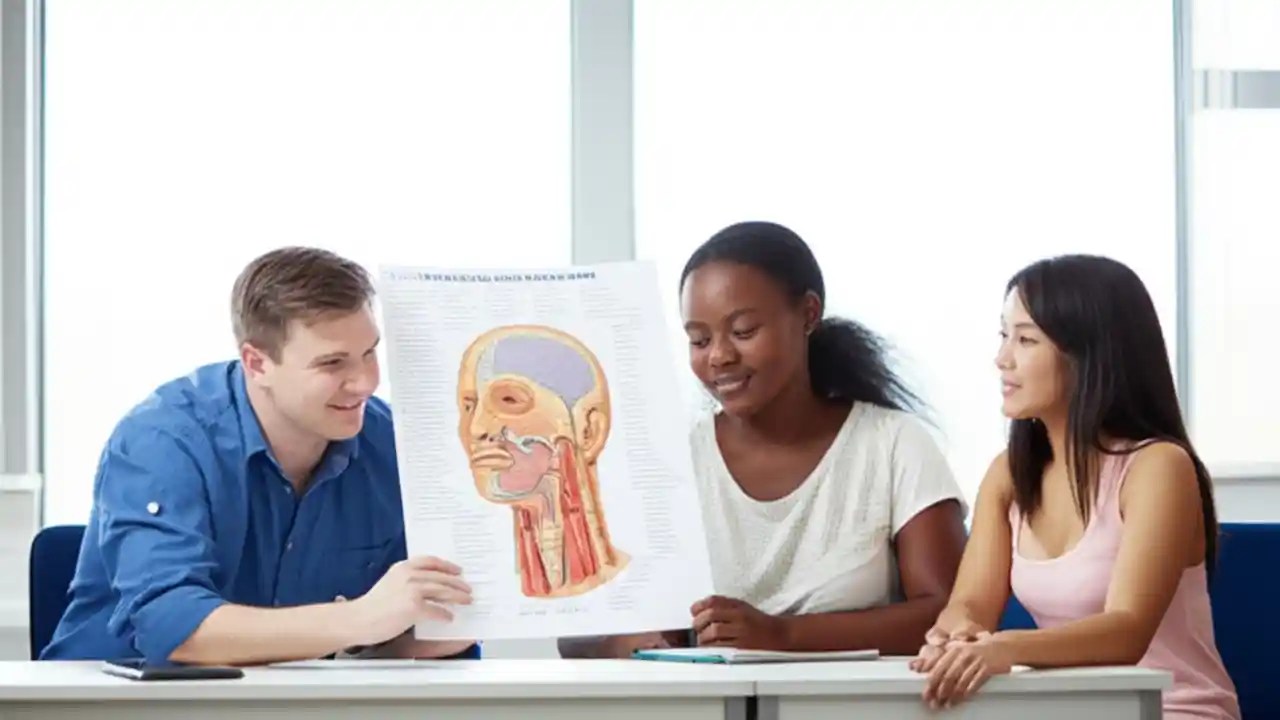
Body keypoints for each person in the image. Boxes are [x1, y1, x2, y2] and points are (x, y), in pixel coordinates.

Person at [42, 247, 475, 665]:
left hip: (296, 697)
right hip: (119, 699)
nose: (365, 382)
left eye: (369, 353)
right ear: (257, 364)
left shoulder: (394, 443)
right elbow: (171, 627)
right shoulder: (162, 441)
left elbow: (386, 636)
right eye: (332, 363)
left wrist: (448, 624)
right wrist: (360, 619)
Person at [560, 221, 967, 658]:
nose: (719, 356)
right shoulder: (673, 461)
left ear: (808, 314)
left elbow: (950, 615)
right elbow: (574, 629)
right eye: (699, 340)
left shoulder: (894, 445)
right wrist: (624, 641)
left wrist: (783, 636)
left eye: (743, 331)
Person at [912, 255, 1239, 719]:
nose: (1002, 359)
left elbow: (1126, 631)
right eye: (1004, 336)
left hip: (1175, 709)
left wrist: (1005, 648)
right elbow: (971, 603)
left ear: (1088, 356)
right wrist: (957, 632)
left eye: (1026, 339)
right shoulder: (1008, 474)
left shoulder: (1157, 467)